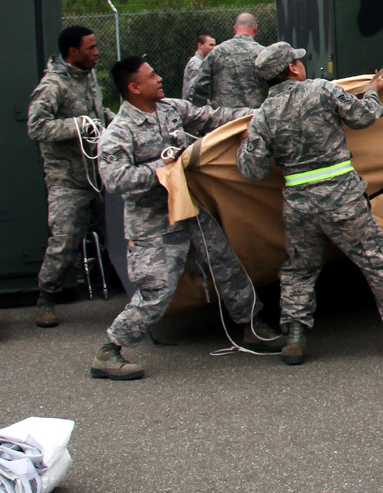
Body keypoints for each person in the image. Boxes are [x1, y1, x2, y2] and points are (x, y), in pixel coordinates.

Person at [237, 41, 383, 364]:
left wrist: (246, 142)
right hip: (341, 195)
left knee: (299, 270)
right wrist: (373, 89)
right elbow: (364, 116)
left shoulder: (263, 116)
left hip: (298, 204)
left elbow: (252, 170)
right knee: (376, 260)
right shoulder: (321, 90)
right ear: (292, 68)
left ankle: (295, 340)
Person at [92, 55, 278, 380]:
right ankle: (110, 351)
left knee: (226, 266)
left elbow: (215, 117)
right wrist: (163, 170)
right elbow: (116, 179)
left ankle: (253, 327)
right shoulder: (119, 132)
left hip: (189, 213)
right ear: (134, 87)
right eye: (151, 76)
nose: (160, 78)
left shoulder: (171, 109)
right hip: (153, 227)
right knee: (156, 292)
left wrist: (265, 112)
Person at [24, 25, 113, 328]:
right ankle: (46, 298)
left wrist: (114, 122)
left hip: (99, 174)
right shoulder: (53, 85)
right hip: (67, 179)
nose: (97, 52)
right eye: (90, 47)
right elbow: (37, 127)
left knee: (120, 232)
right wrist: (77, 126)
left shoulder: (87, 76)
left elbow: (98, 114)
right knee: (64, 242)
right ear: (72, 52)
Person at [191, 12, 267, 110]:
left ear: (234, 28)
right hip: (251, 116)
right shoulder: (262, 53)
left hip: (223, 117)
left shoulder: (217, 51)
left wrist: (203, 112)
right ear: (255, 28)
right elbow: (276, 84)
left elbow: (200, 84)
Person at [179, 32, 217, 104]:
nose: (214, 48)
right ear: (200, 45)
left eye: (214, 45)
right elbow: (193, 90)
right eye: (211, 45)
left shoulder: (202, 62)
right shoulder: (196, 63)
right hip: (195, 109)